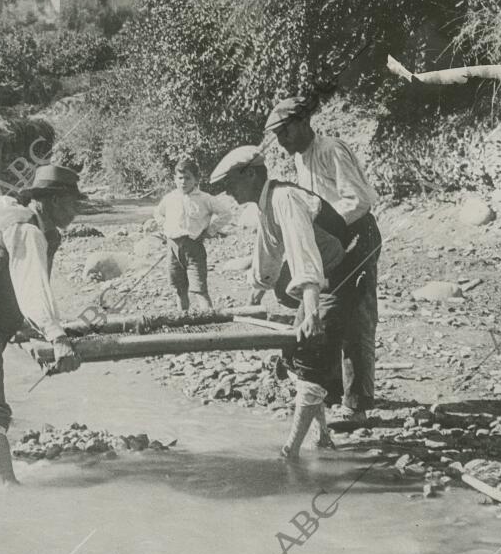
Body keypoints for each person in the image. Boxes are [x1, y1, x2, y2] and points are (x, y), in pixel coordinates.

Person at [211, 145, 367, 458]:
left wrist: (311, 312)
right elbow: (268, 252)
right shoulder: (266, 204)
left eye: (231, 183)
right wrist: (256, 292)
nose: (228, 191)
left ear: (251, 174)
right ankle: (322, 437)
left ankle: (290, 453)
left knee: (312, 351)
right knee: (295, 352)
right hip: (322, 275)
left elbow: (303, 253)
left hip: (344, 268)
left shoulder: (284, 199)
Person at [0, 165, 84, 485]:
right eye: (72, 203)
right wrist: (57, 337)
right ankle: (10, 491)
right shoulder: (27, 230)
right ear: (52, 201)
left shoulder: (30, 222)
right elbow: (32, 288)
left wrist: (29, 326)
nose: (76, 211)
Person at [265, 95, 381, 424]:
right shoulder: (301, 159)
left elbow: (359, 200)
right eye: (277, 135)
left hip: (356, 236)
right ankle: (328, 389)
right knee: (320, 310)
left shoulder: (332, 150)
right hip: (328, 241)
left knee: (356, 317)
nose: (282, 141)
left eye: (285, 132)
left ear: (303, 123)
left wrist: (323, 227)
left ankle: (357, 404)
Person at [152, 157, 232, 312]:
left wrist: (209, 231)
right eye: (180, 178)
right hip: (173, 249)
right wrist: (166, 228)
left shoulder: (204, 198)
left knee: (200, 290)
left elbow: (226, 214)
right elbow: (157, 213)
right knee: (179, 289)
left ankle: (209, 320)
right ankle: (183, 319)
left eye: (188, 178)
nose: (183, 182)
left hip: (194, 248)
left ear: (196, 179)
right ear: (175, 179)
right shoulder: (170, 198)